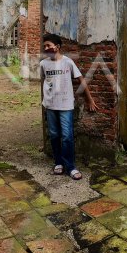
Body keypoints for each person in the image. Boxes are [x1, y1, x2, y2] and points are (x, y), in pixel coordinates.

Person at [40, 34, 99, 180]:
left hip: (66, 104)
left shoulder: (68, 62)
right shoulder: (43, 64)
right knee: (54, 135)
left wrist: (90, 100)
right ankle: (58, 163)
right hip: (50, 105)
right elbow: (44, 82)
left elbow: (81, 80)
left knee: (67, 136)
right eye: (45, 46)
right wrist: (45, 100)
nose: (46, 48)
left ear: (57, 47)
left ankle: (71, 166)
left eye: (49, 45)